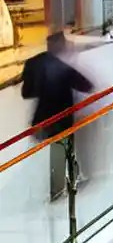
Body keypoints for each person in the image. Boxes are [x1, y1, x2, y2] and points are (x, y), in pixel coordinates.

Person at [21, 32, 93, 200]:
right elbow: (86, 85)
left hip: (42, 119)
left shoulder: (34, 63)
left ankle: (60, 187)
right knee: (65, 148)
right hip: (61, 118)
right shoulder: (63, 66)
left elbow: (26, 93)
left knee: (59, 149)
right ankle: (64, 186)